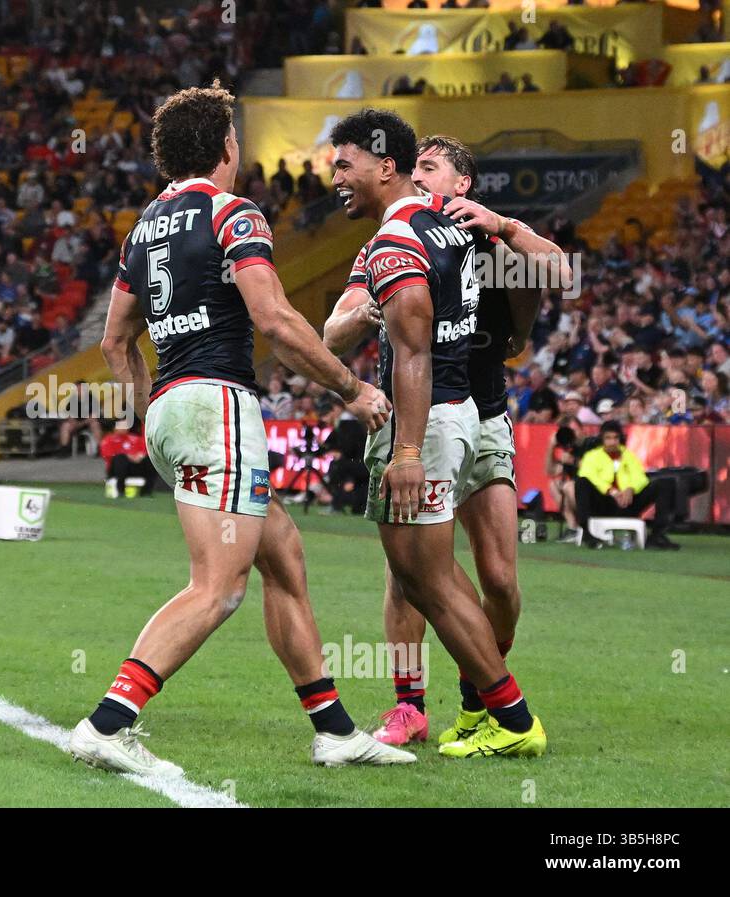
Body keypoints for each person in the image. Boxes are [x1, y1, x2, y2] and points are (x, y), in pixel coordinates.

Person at [68, 83, 412, 776]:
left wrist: (154, 417)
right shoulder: (234, 213)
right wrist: (353, 389)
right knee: (219, 587)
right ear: (227, 148)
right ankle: (109, 721)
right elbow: (277, 323)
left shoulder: (144, 228)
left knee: (282, 555)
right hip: (217, 404)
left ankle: (335, 729)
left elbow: (114, 341)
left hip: (173, 405)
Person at [325, 131, 566, 749]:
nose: (421, 175)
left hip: (481, 415)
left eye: (433, 168)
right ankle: (414, 705)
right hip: (424, 413)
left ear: (462, 185)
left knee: (500, 580)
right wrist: (362, 315)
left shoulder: (485, 237)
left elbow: (558, 269)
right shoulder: (392, 242)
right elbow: (333, 332)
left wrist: (506, 226)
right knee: (408, 570)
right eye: (417, 166)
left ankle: (484, 697)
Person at [575, 421, 680, 550]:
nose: (612, 442)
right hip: (604, 502)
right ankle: (587, 531)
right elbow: (590, 475)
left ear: (620, 439)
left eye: (615, 438)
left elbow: (640, 477)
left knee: (665, 483)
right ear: (602, 439)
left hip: (628, 502)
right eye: (608, 438)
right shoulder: (592, 456)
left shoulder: (628, 455)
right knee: (581, 482)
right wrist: (611, 491)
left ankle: (657, 535)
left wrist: (630, 489)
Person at [100, 420, 156, 498]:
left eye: (125, 425)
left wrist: (140, 456)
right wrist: (127, 456)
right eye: (121, 425)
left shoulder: (135, 439)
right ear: (115, 427)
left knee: (150, 460)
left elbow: (144, 450)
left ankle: (146, 492)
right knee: (120, 459)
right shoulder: (108, 440)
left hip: (133, 466)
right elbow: (108, 456)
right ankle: (120, 489)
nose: (124, 427)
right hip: (116, 469)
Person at [546, 422, 581, 541]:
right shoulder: (569, 451)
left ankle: (585, 525)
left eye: (575, 430)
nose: (572, 434)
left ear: (582, 430)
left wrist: (574, 461)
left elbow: (594, 468)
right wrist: (551, 446)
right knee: (554, 485)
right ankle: (573, 528)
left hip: (593, 493)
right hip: (576, 494)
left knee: (569, 486)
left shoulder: (589, 444)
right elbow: (551, 471)